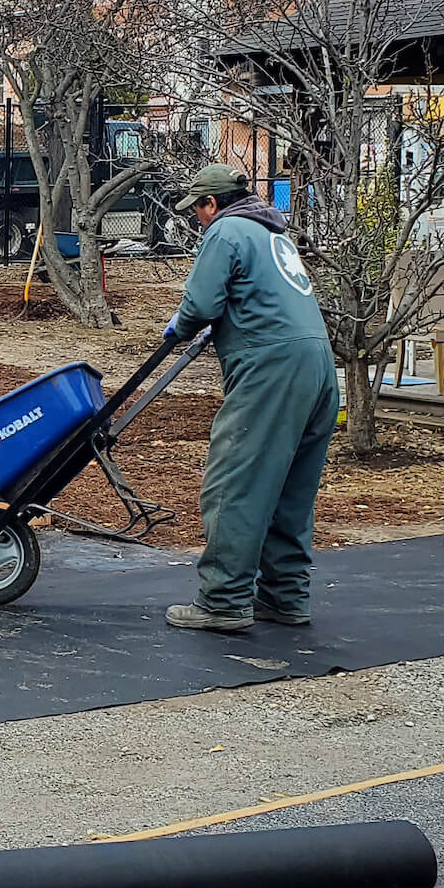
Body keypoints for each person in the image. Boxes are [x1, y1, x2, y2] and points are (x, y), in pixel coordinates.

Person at [160, 163, 337, 634]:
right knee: (290, 489)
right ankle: (284, 597)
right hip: (318, 365)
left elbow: (201, 304)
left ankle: (223, 601)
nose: (197, 219)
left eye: (197, 209)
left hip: (271, 368)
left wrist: (181, 325)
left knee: (235, 481)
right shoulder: (274, 234)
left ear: (211, 203)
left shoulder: (226, 230)